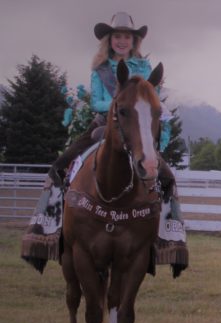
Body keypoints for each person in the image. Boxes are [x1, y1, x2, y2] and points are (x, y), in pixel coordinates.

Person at [22, 12, 187, 274]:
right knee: (60, 166)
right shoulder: (99, 68)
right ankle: (50, 231)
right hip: (103, 124)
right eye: (117, 36)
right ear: (109, 40)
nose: (122, 41)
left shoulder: (144, 68)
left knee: (166, 178)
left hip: (136, 127)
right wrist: (120, 104)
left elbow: (151, 100)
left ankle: (167, 238)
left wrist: (138, 110)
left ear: (134, 41)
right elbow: (96, 101)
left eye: (127, 37)